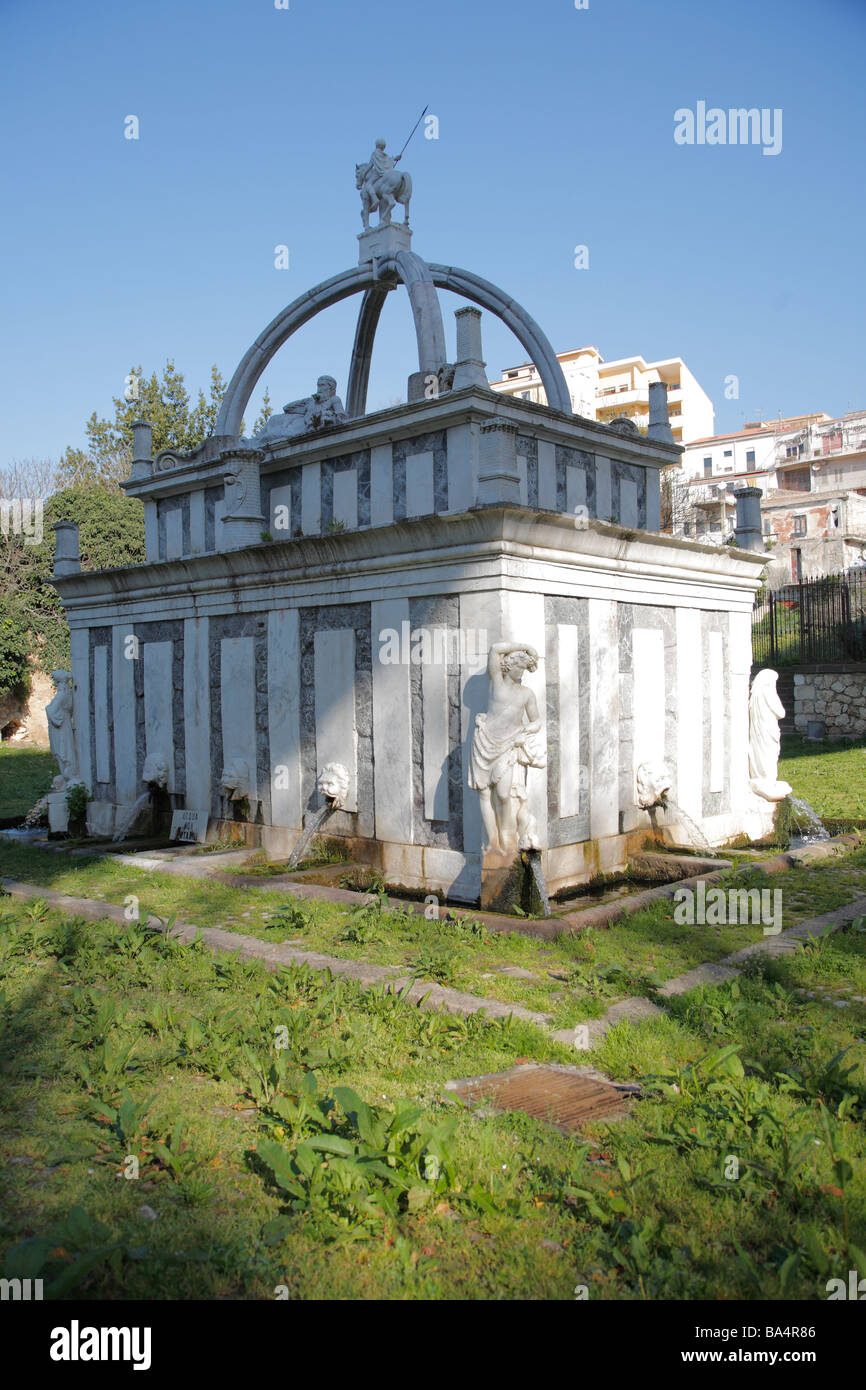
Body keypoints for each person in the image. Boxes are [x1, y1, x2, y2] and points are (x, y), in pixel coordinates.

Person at [468, 642, 546, 854]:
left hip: (508, 745)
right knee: (484, 794)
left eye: (523, 668)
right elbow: (494, 649)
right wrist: (525, 647)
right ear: (508, 667)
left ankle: (507, 837)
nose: (521, 672)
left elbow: (536, 720)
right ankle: (493, 842)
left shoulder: (527, 694)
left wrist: (526, 730)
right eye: (518, 667)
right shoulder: (497, 684)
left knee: (503, 794)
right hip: (484, 741)